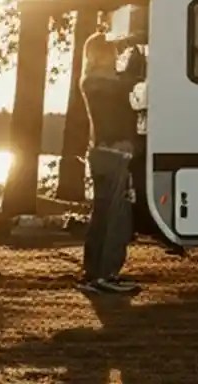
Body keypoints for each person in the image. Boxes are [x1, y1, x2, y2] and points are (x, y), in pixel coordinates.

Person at [76, 30, 142, 295]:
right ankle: (106, 275)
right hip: (113, 154)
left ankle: (93, 273)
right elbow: (124, 86)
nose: (117, 54)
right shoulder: (100, 82)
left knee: (101, 216)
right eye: (113, 50)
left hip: (100, 153)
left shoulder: (89, 80)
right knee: (116, 217)